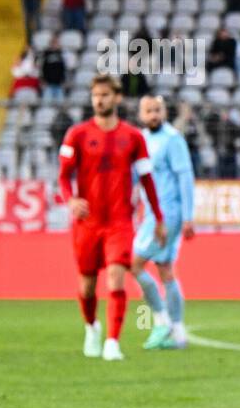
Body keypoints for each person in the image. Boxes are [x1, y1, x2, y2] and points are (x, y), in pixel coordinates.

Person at [58, 75, 165, 362]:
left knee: (116, 279)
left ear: (116, 98)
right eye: (95, 95)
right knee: (87, 286)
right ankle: (92, 326)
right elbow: (63, 176)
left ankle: (112, 342)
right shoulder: (76, 134)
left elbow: (147, 180)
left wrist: (159, 217)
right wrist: (70, 199)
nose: (99, 100)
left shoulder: (133, 137)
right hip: (87, 223)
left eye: (105, 94)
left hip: (119, 222)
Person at [131, 96, 196, 351]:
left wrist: (188, 216)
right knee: (165, 269)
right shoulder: (141, 139)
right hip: (152, 213)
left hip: (168, 213)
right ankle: (178, 334)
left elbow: (185, 176)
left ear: (165, 112)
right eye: (148, 111)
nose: (153, 115)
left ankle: (161, 320)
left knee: (133, 263)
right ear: (141, 114)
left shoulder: (172, 140)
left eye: (157, 110)